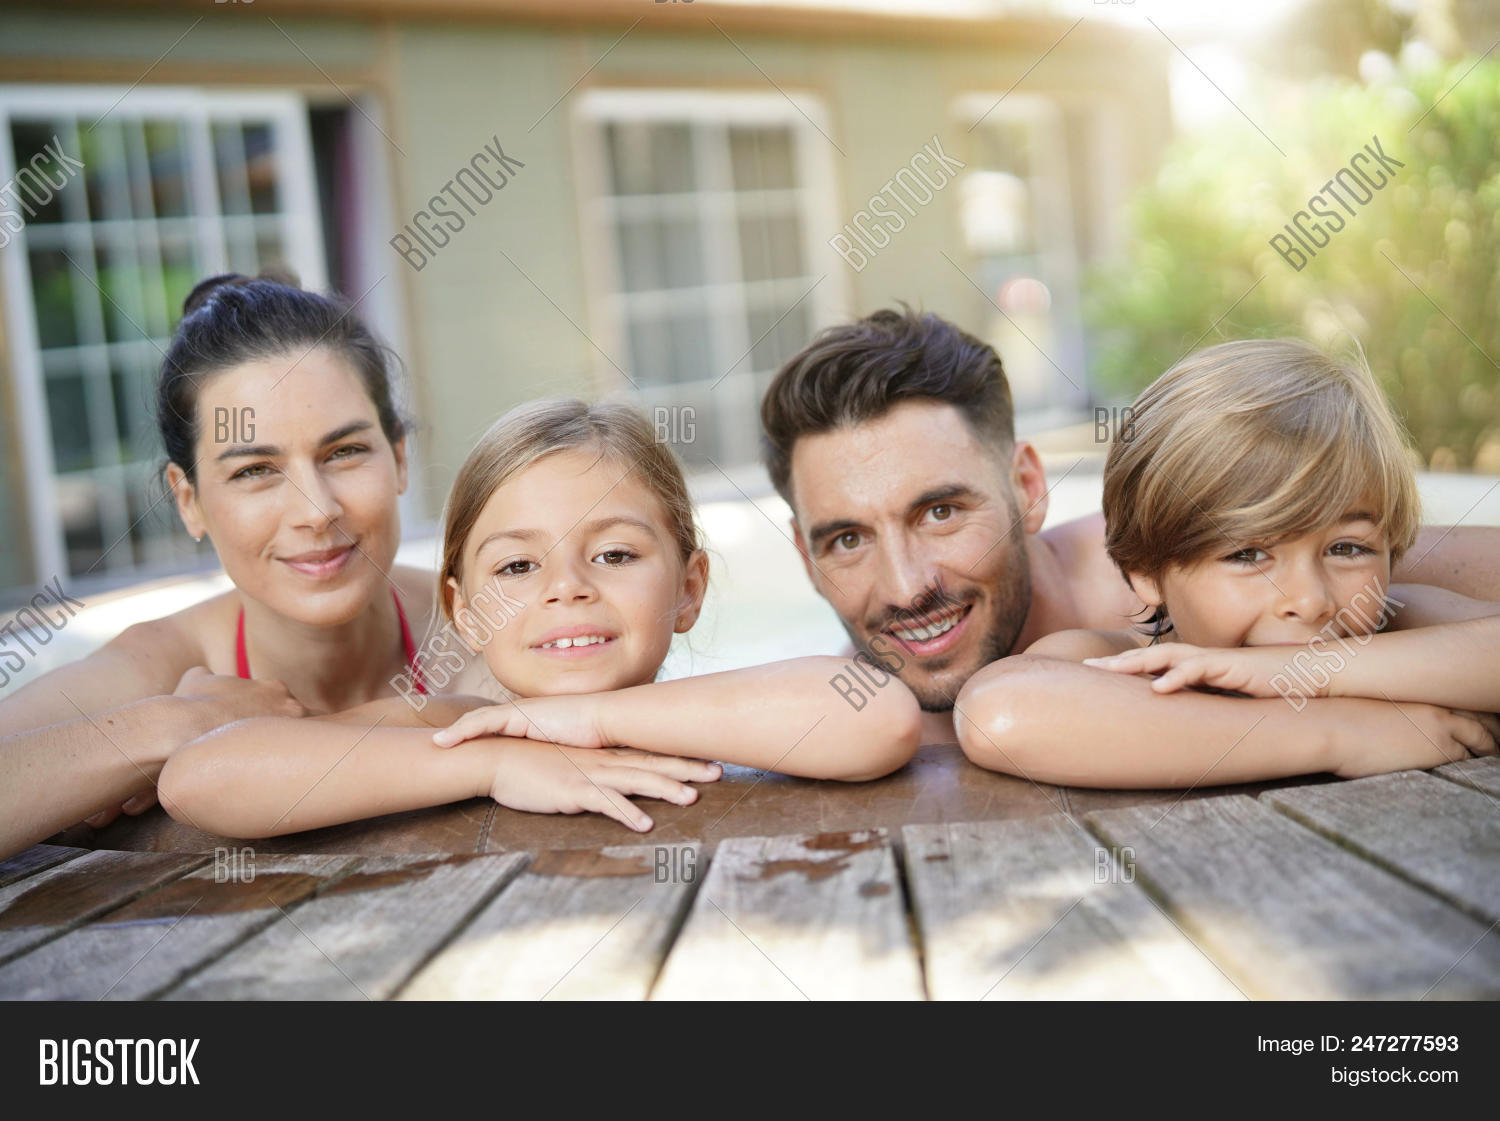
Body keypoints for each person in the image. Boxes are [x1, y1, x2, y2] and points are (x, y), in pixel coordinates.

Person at [159, 398, 922, 836]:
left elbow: (878, 714)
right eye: (518, 567)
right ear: (463, 609)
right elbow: (203, 777)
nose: (566, 589)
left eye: (616, 555)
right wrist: (492, 763)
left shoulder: (720, 715)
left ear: (689, 588)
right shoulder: (457, 728)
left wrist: (591, 719)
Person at [761, 308, 1500, 744]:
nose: (904, 586)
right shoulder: (845, 695)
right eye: (848, 538)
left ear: (1027, 486)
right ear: (804, 554)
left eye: (942, 511)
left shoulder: (1224, 559)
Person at [0, 272, 438, 860]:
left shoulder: (484, 624)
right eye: (254, 470)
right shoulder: (161, 667)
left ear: (400, 458)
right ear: (189, 501)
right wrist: (166, 728)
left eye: (345, 452)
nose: (316, 511)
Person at [952, 338, 1500, 786]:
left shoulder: (1395, 622)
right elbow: (997, 716)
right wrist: (1343, 731)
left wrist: (1297, 675)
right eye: (1247, 554)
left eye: (1346, 548)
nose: (1309, 599)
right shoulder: (1114, 663)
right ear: (1146, 572)